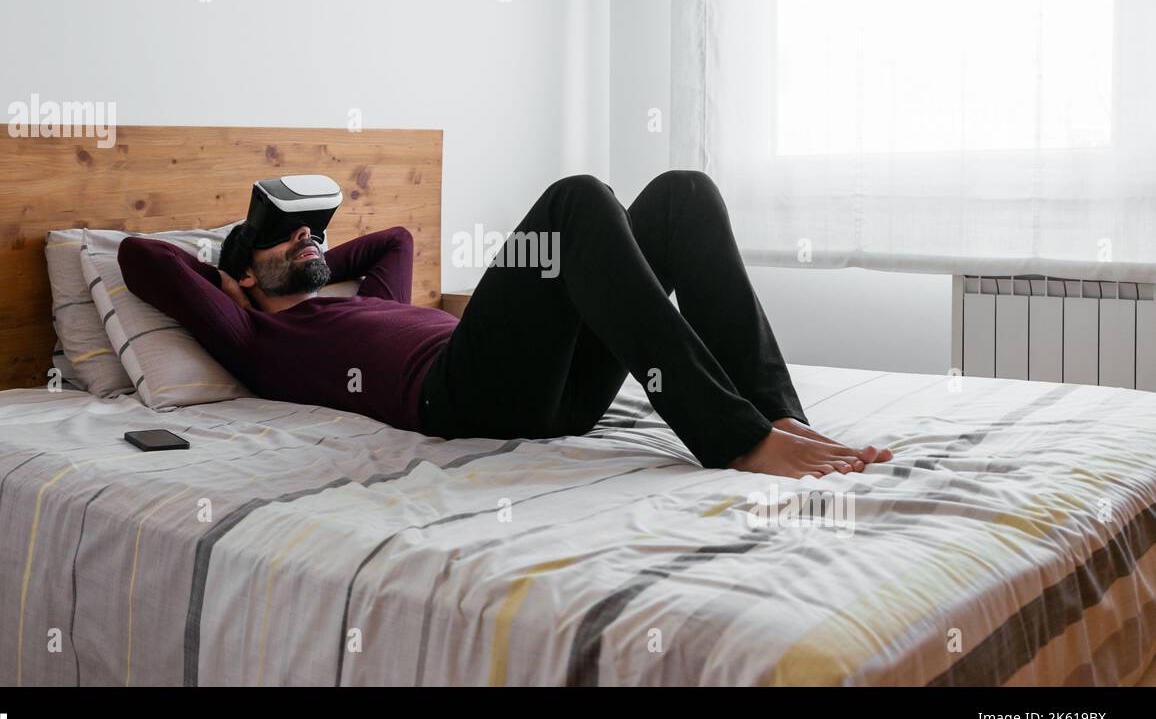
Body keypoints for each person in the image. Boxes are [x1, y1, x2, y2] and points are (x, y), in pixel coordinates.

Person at [119, 171, 892, 478]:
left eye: (316, 231)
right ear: (243, 275)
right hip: (461, 394)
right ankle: (733, 437)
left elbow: (394, 242)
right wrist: (228, 269)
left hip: (553, 390)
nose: (311, 240)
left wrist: (309, 244)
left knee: (682, 195)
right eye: (287, 237)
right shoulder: (254, 336)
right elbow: (138, 254)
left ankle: (777, 414)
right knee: (574, 203)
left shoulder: (366, 296)